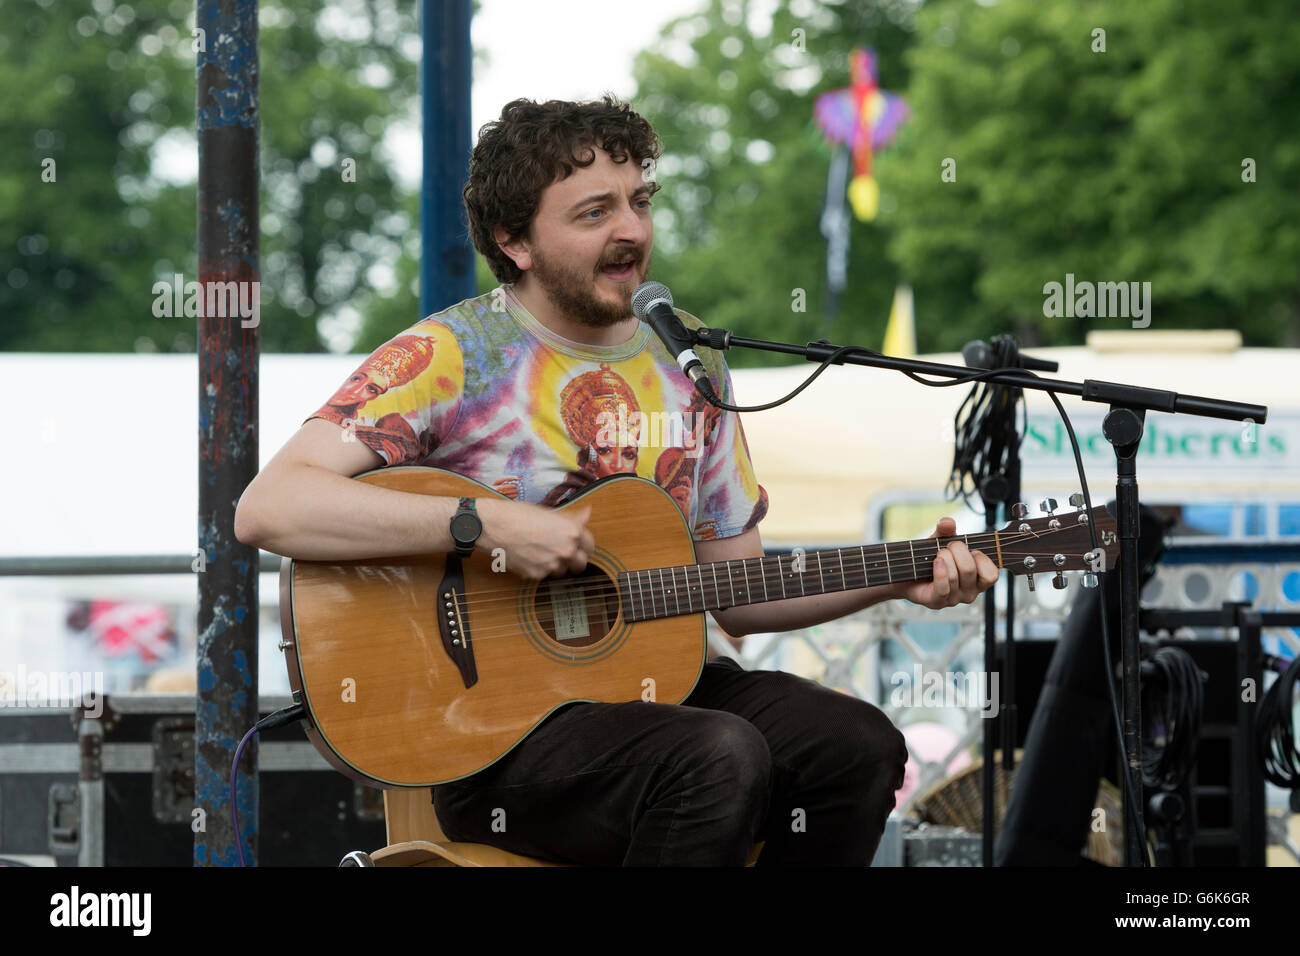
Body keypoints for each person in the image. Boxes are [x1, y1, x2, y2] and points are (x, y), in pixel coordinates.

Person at [234, 95, 999, 866]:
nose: (631, 229)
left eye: (639, 202)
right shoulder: (456, 355)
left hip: (661, 694)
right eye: (594, 212)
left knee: (857, 745)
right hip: (490, 739)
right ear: (515, 241)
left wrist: (902, 579)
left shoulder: (688, 361)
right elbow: (271, 507)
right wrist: (482, 523)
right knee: (715, 754)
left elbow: (736, 592)